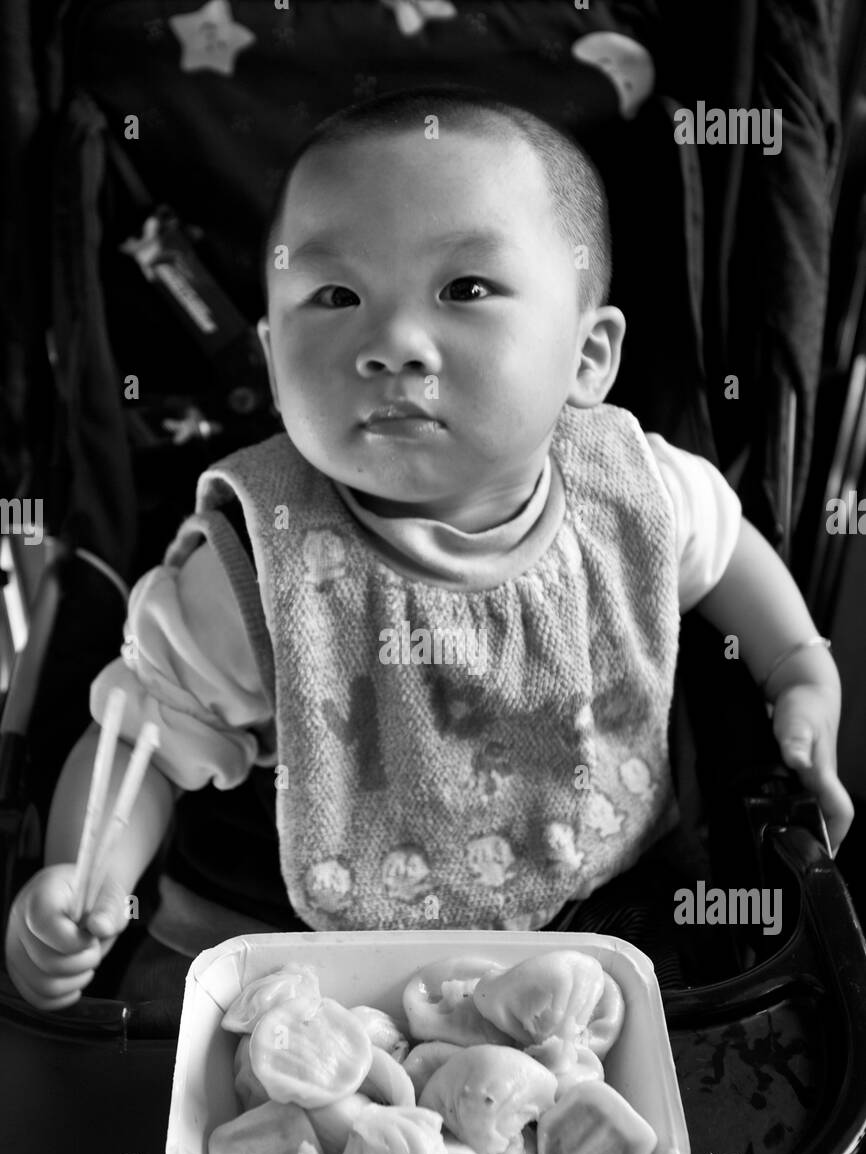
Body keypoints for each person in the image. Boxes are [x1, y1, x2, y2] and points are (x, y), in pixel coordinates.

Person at [4, 86, 854, 1011]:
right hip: (299, 961)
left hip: (599, 915)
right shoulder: (254, 570)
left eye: (466, 289)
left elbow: (726, 552)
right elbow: (142, 743)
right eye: (335, 296)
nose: (394, 343)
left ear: (588, 357)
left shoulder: (637, 494)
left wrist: (798, 664)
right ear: (272, 357)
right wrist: (78, 886)